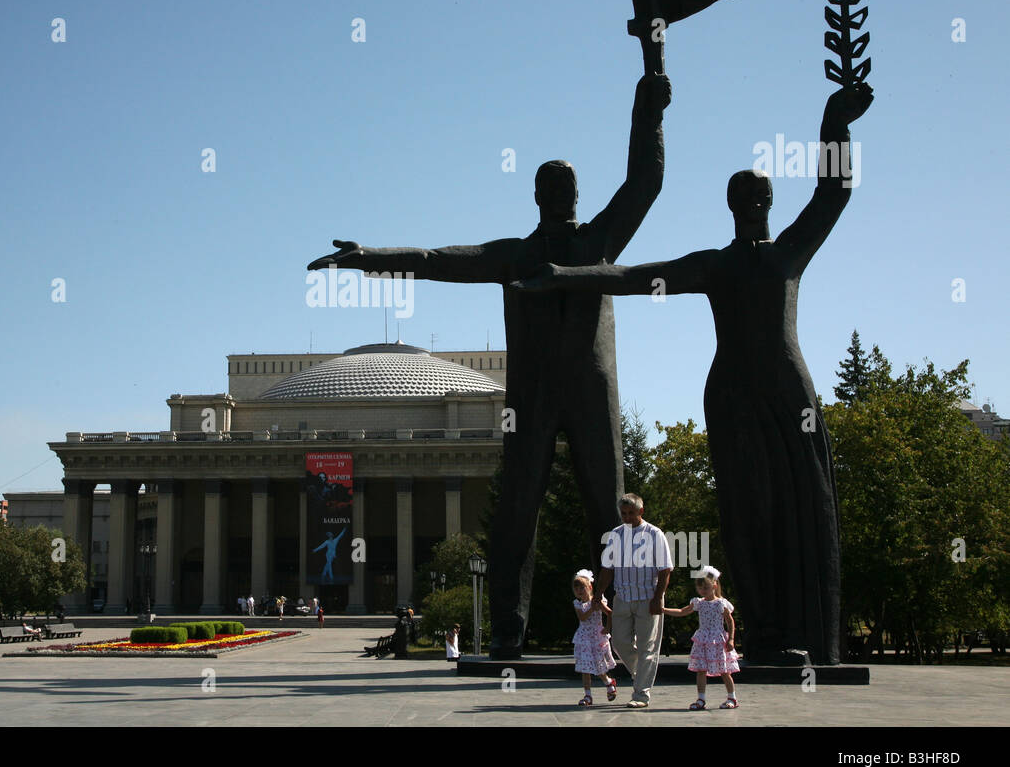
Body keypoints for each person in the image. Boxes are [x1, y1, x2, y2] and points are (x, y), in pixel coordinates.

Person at [309, 73, 672, 658]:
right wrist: (365, 258)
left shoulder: (577, 246)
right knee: (528, 515)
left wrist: (648, 111)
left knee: (591, 513)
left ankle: (593, 628)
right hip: (539, 397)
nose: (563, 196)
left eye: (566, 187)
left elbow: (645, 182)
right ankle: (513, 631)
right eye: (558, 188)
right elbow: (433, 260)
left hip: (576, 393)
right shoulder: (535, 251)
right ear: (544, 197)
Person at [514, 83, 872, 665]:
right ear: (732, 206)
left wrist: (836, 121)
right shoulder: (715, 265)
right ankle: (764, 632)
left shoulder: (787, 255)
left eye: (764, 198)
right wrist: (562, 274)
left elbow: (834, 193)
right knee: (745, 512)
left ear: (771, 204)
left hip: (787, 392)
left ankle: (810, 635)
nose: (756, 206)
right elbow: (632, 276)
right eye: (747, 198)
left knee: (805, 505)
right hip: (732, 397)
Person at [593, 494, 671, 707]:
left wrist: (657, 599)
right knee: (619, 642)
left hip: (648, 597)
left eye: (631, 513)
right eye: (623, 514)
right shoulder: (616, 535)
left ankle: (641, 694)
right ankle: (641, 674)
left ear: (640, 512)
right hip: (623, 597)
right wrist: (598, 593)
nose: (627, 517)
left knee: (648, 647)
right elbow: (607, 568)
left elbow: (665, 570)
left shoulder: (655, 534)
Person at [663, 566, 740, 709]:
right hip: (703, 639)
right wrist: (663, 610)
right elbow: (681, 611)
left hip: (717, 640)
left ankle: (732, 697)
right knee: (701, 669)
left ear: (714, 585)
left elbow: (730, 621)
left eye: (706, 587)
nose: (703, 591)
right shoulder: (699, 603)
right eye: (700, 588)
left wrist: (731, 639)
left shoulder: (721, 603)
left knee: (724, 671)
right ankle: (701, 699)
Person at [572, 570, 617, 706]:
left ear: (590, 587)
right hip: (584, 638)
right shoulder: (577, 604)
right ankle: (588, 695)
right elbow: (582, 617)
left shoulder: (599, 600)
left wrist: (608, 628)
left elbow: (609, 613)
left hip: (597, 637)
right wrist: (592, 608)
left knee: (599, 666)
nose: (579, 591)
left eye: (582, 587)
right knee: (585, 667)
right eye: (576, 588)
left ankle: (609, 682)